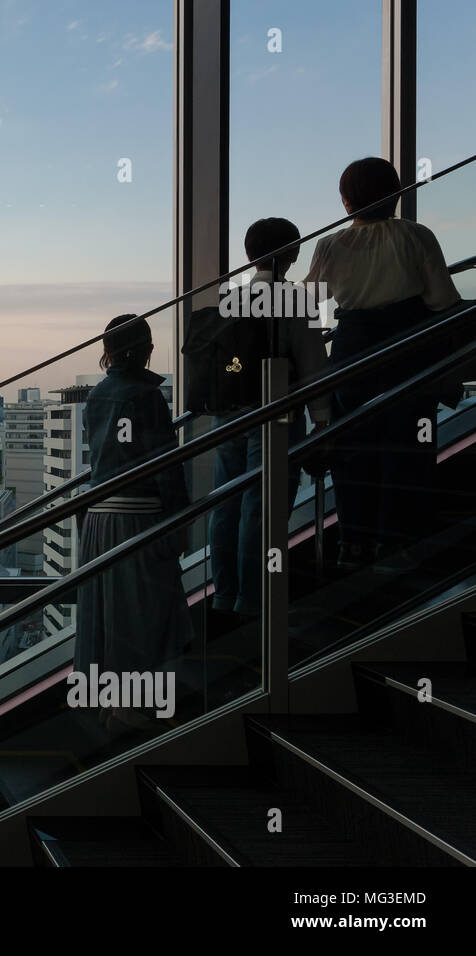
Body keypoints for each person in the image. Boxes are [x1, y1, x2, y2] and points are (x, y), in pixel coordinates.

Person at [304, 157, 462, 571]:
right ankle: (399, 544)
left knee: (352, 448)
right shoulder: (417, 237)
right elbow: (444, 302)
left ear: (346, 201)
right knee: (407, 448)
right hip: (409, 348)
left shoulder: (331, 245)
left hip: (353, 353)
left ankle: (354, 542)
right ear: (396, 193)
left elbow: (304, 302)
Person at [209, 218, 330, 619]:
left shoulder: (231, 299)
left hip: (227, 413)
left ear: (249, 254)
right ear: (292, 254)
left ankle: (223, 595)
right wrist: (322, 417)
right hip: (277, 411)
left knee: (226, 503)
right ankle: (252, 601)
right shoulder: (294, 298)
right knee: (260, 507)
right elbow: (313, 364)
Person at [76, 315, 193, 728]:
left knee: (108, 611)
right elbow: (165, 465)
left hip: (98, 518)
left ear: (107, 351)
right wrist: (179, 519)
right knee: (143, 608)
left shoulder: (97, 396)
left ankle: (109, 701)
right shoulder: (147, 397)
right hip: (139, 518)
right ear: (145, 349)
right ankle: (133, 707)